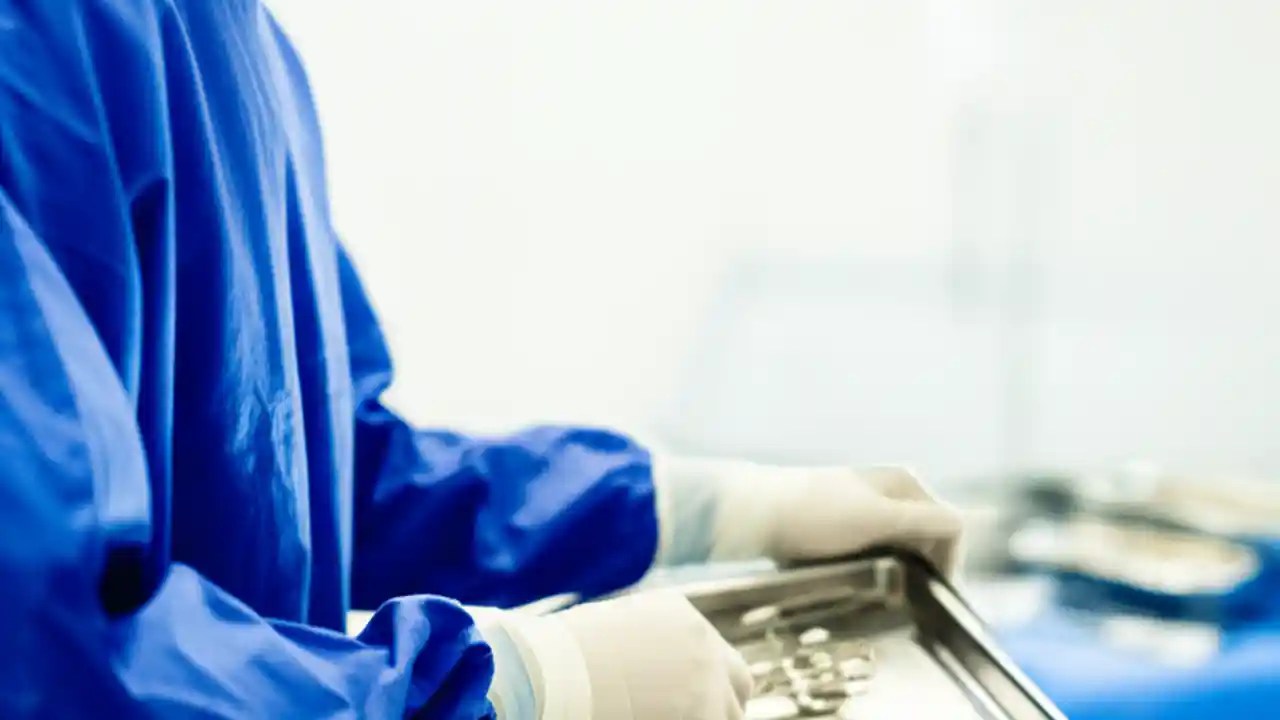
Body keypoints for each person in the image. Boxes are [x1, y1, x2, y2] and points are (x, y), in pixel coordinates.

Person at [0, 1, 961, 717]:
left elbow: (325, 472)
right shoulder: (33, 41)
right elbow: (42, 656)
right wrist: (515, 685)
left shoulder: (237, 42)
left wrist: (728, 508)